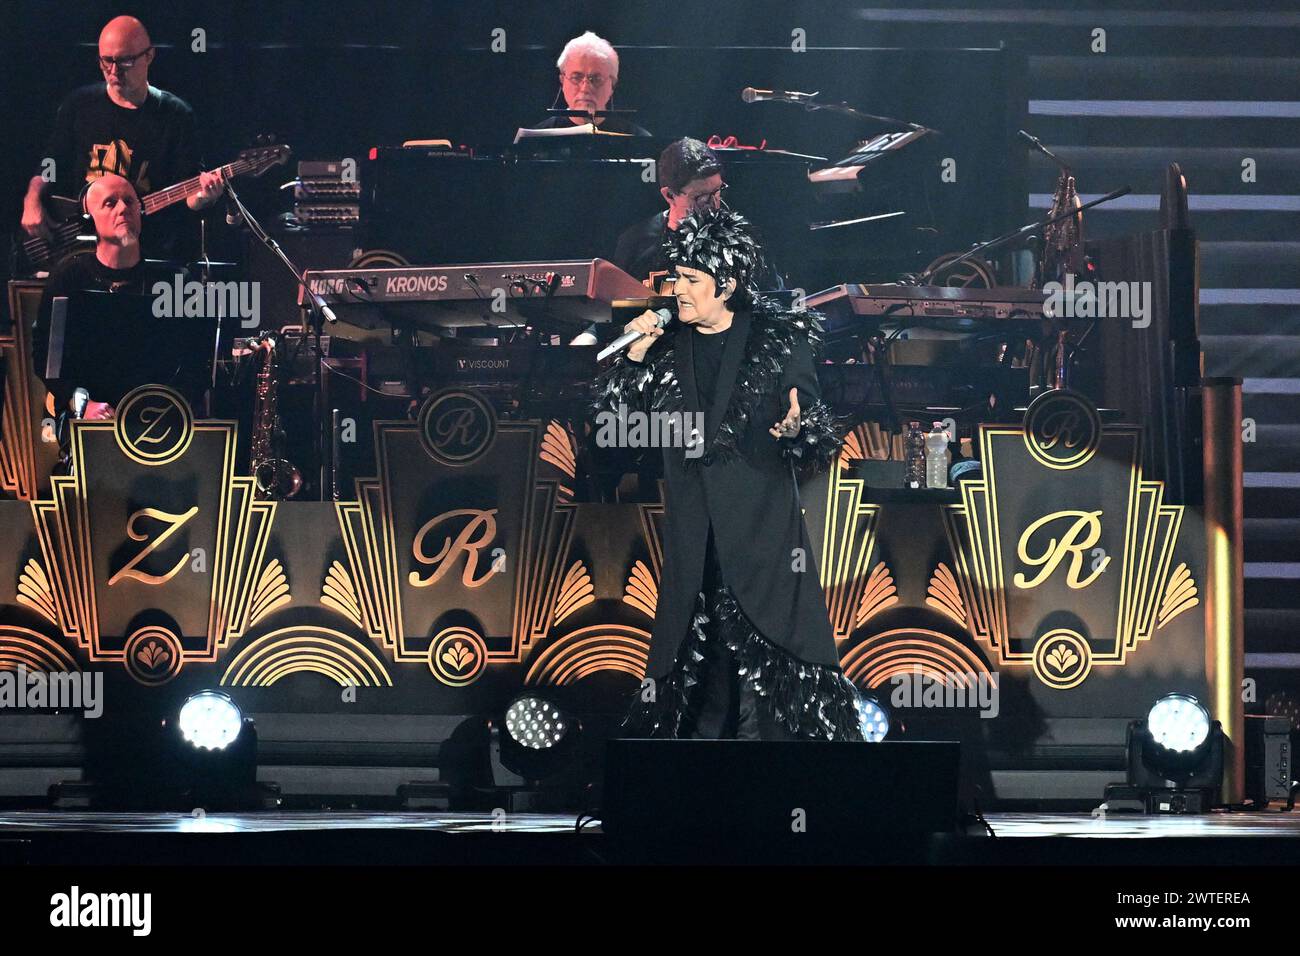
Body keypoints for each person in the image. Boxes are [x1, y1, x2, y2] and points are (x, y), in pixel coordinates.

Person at [594, 208, 862, 740]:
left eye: (693, 281)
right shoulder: (666, 343)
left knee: (775, 668)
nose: (680, 291)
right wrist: (636, 359)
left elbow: (811, 419)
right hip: (696, 529)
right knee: (698, 660)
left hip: (762, 528)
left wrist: (796, 423)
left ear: (729, 284)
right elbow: (617, 432)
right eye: (676, 279)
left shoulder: (777, 336)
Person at [20, 15, 224, 262]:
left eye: (125, 61)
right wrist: (32, 200)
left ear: (149, 56)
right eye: (107, 61)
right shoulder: (79, 105)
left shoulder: (176, 115)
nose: (114, 71)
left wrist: (203, 197)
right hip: (84, 250)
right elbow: (50, 163)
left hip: (149, 252)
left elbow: (189, 194)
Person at [32, 174, 186, 419]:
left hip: (152, 415)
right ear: (89, 220)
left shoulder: (169, 280)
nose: (123, 208)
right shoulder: (68, 278)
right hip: (88, 412)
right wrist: (83, 404)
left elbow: (185, 359)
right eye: (110, 203)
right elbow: (48, 360)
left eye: (129, 201)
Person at [531, 31, 651, 136]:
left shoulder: (637, 139)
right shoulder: (535, 139)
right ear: (562, 81)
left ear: (612, 84)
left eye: (596, 79)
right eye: (576, 77)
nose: (585, 88)